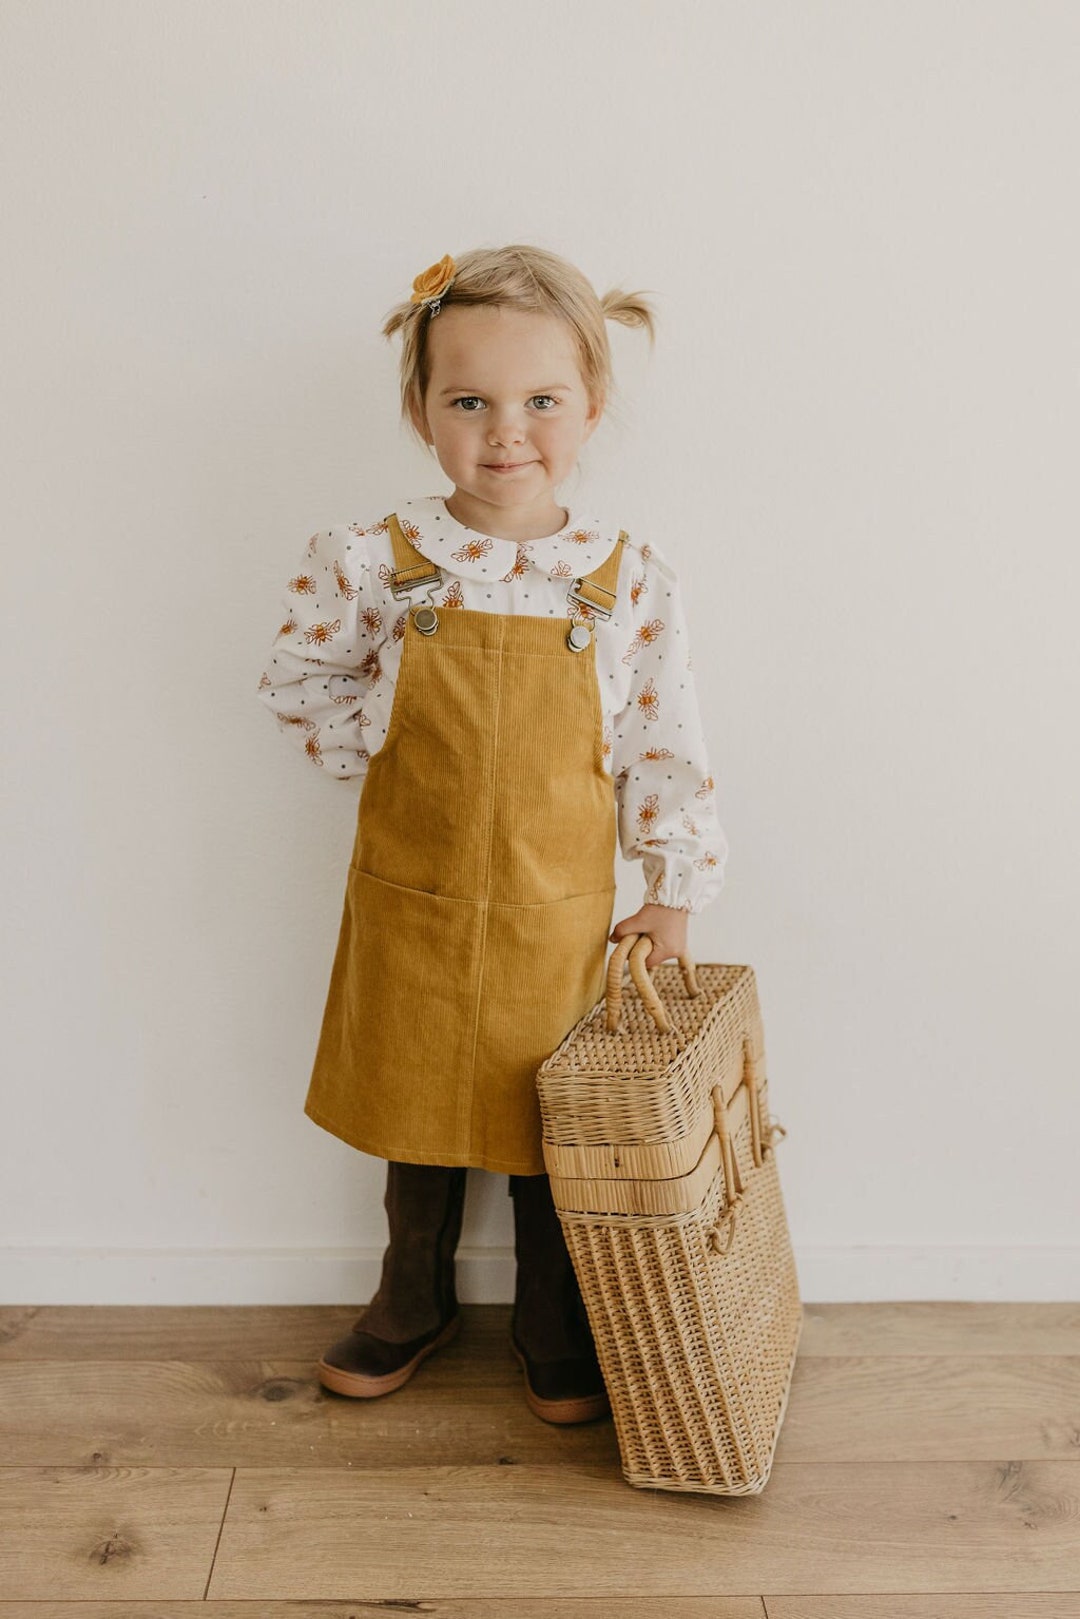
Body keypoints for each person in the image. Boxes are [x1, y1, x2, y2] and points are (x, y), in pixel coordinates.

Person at [254, 244, 728, 1426]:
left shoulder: (627, 577)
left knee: (542, 1111)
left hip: (555, 911)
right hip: (410, 893)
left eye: (540, 402)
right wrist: (392, 709)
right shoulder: (376, 559)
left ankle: (549, 1310)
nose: (505, 431)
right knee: (412, 1093)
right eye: (469, 400)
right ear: (422, 410)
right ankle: (408, 1292)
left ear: (592, 409)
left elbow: (668, 741)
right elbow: (298, 681)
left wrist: (672, 887)